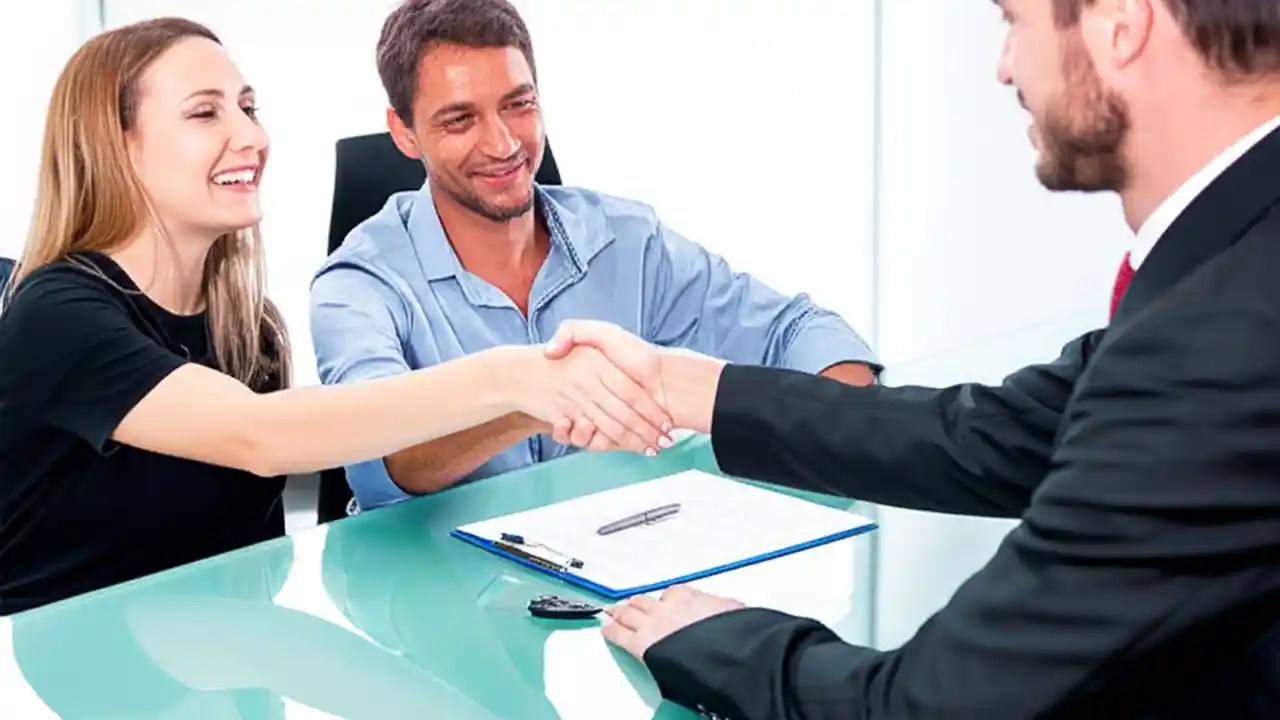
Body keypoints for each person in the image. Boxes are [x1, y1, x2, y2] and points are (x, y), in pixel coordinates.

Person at [545, 0, 1280, 716]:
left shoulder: (1219, 338)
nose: (1002, 68)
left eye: (1011, 21)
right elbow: (988, 435)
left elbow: (935, 703)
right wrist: (683, 385)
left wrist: (711, 640)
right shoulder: (1229, 271)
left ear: (1121, 25)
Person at [0, 18, 672, 616]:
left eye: (248, 107)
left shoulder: (247, 329)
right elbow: (258, 435)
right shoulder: (58, 315)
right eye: (205, 114)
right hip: (60, 672)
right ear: (115, 147)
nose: (251, 136)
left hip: (225, 666)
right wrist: (513, 380)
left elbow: (250, 577)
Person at [309, 0, 879, 512]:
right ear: (404, 133)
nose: (504, 144)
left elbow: (795, 331)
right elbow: (379, 454)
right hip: (434, 596)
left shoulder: (626, 240)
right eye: (461, 119)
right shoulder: (359, 284)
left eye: (518, 105)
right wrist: (530, 398)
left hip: (615, 575)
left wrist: (858, 434)